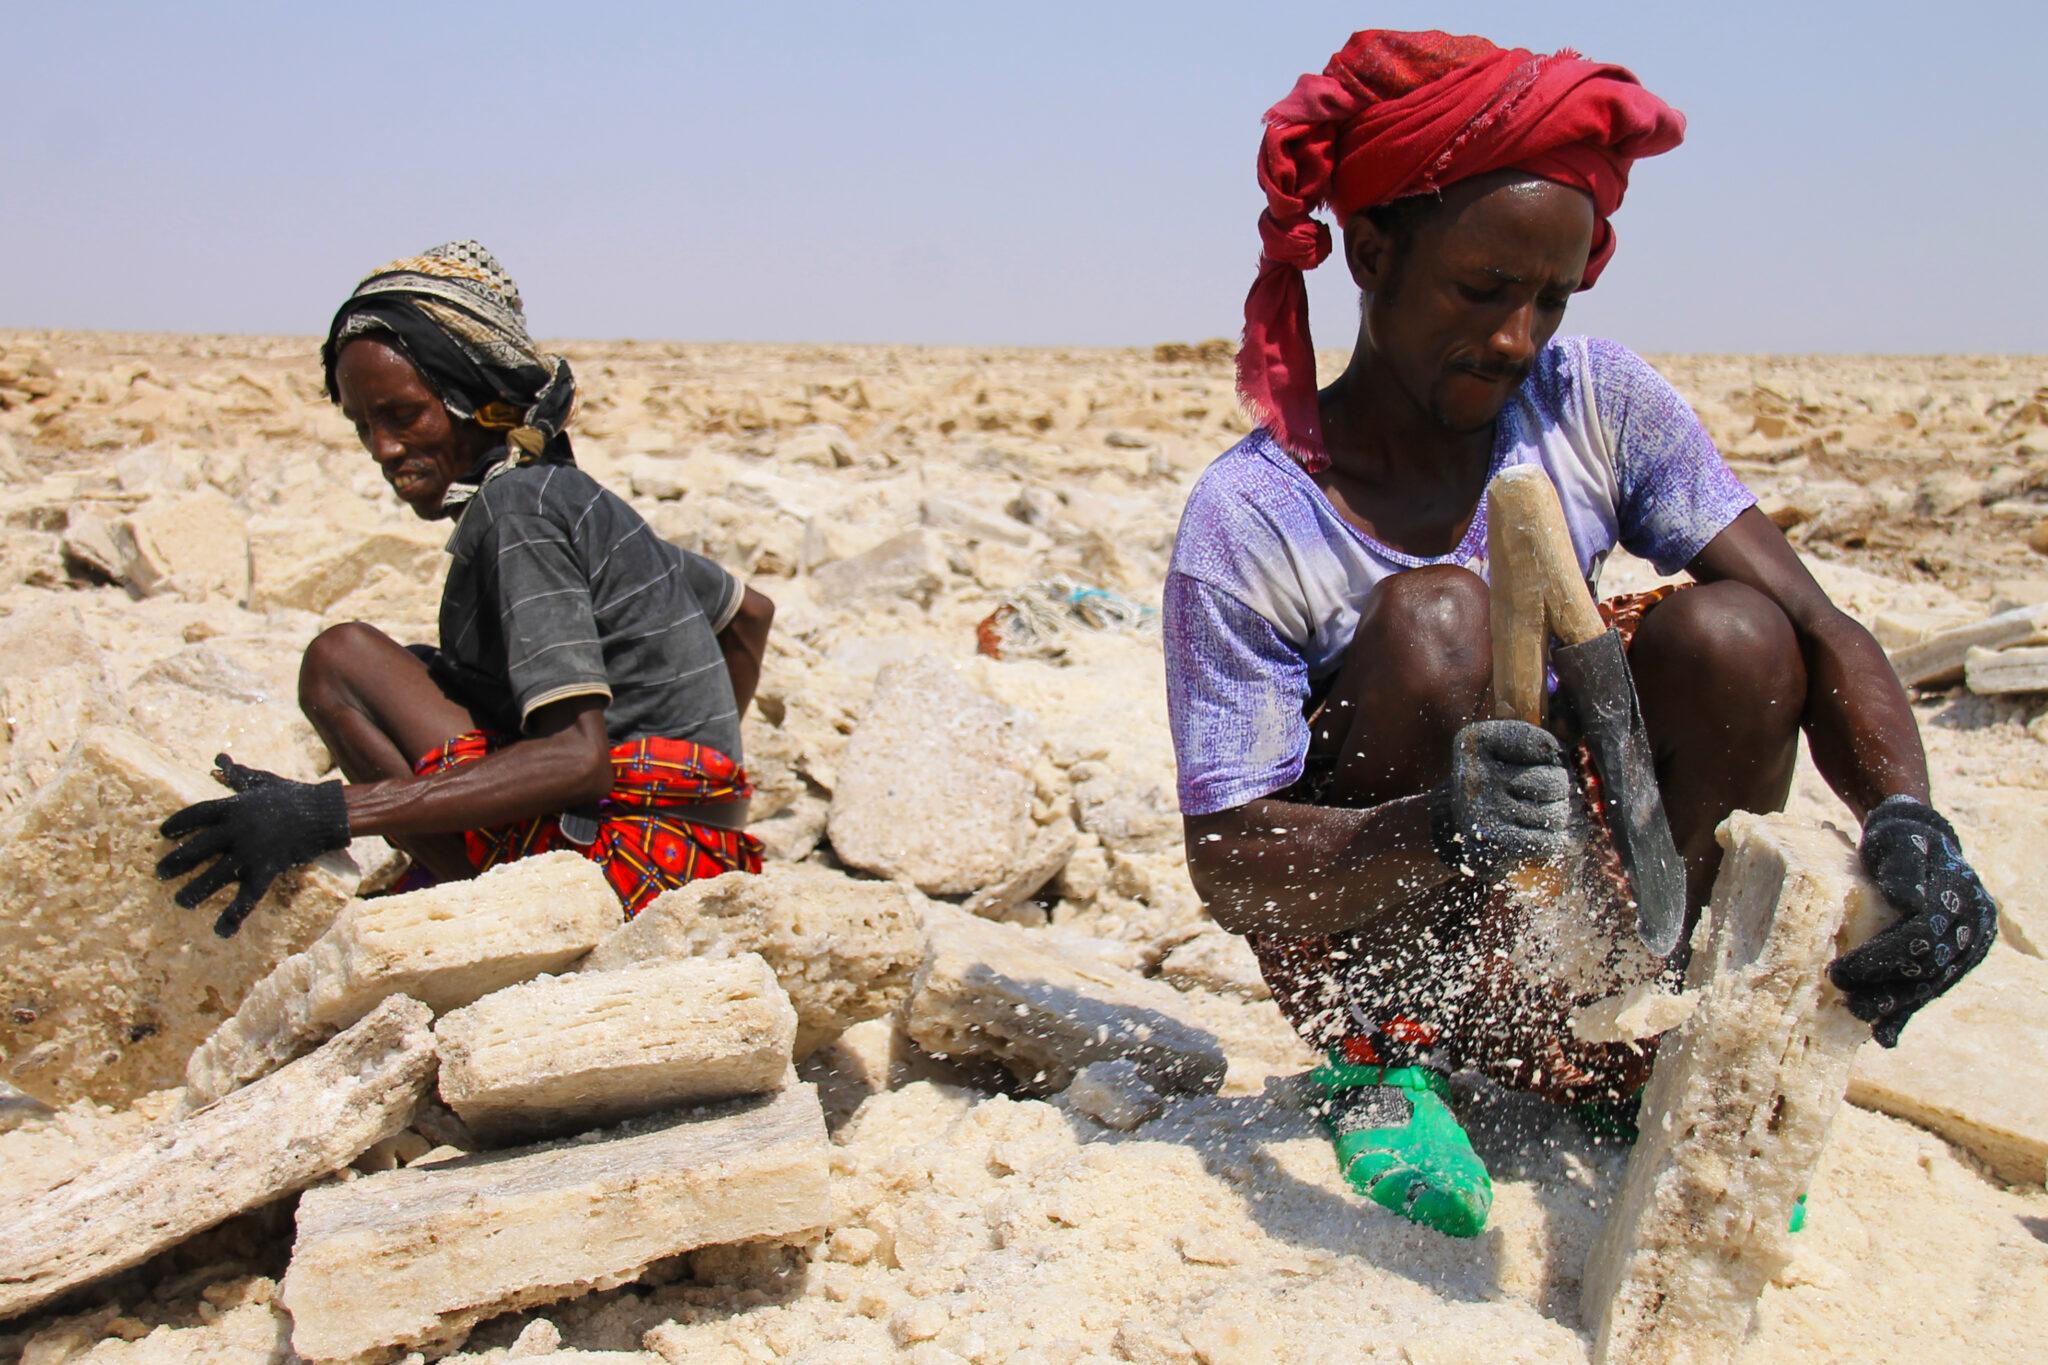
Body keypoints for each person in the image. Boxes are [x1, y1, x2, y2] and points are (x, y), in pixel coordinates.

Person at [1164, 31, 1998, 1238]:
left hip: (1580, 924)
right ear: (1372, 250)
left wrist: (1909, 827)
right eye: (1481, 290)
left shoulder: (1592, 400)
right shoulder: (1252, 516)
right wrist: (1438, 822)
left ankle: (1625, 1051)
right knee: (1439, 617)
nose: (1514, 339)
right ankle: (1380, 1067)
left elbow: (1816, 624)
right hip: (1395, 929)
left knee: (1737, 637)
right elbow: (1226, 854)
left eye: (1547, 300)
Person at [157, 241, 771, 934]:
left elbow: (578, 759)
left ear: (475, 401)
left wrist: (328, 813)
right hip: (711, 846)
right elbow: (748, 613)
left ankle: (481, 905)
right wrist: (694, 769)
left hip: (629, 862)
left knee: (343, 661)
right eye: (363, 426)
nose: (383, 449)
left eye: (402, 415)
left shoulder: (519, 510)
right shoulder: (575, 499)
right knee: (425, 667)